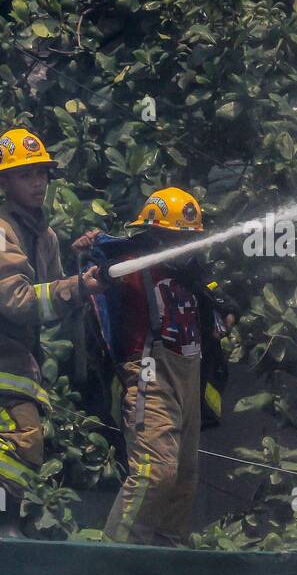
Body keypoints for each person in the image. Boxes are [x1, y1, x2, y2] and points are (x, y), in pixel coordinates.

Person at [0, 128, 105, 536]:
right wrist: (76, 287)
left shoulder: (44, 235)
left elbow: (50, 301)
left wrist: (79, 266)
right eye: (26, 175)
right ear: (2, 182)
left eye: (42, 174)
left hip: (16, 359)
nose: (38, 182)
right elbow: (17, 301)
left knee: (7, 440)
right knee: (23, 436)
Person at [77, 187, 238, 546]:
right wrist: (91, 252)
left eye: (186, 238)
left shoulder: (194, 274)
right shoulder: (129, 264)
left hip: (188, 375)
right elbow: (92, 278)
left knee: (183, 477)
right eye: (173, 237)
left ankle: (167, 559)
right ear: (153, 233)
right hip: (148, 373)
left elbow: (214, 308)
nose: (181, 244)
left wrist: (224, 309)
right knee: (155, 471)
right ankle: (115, 557)